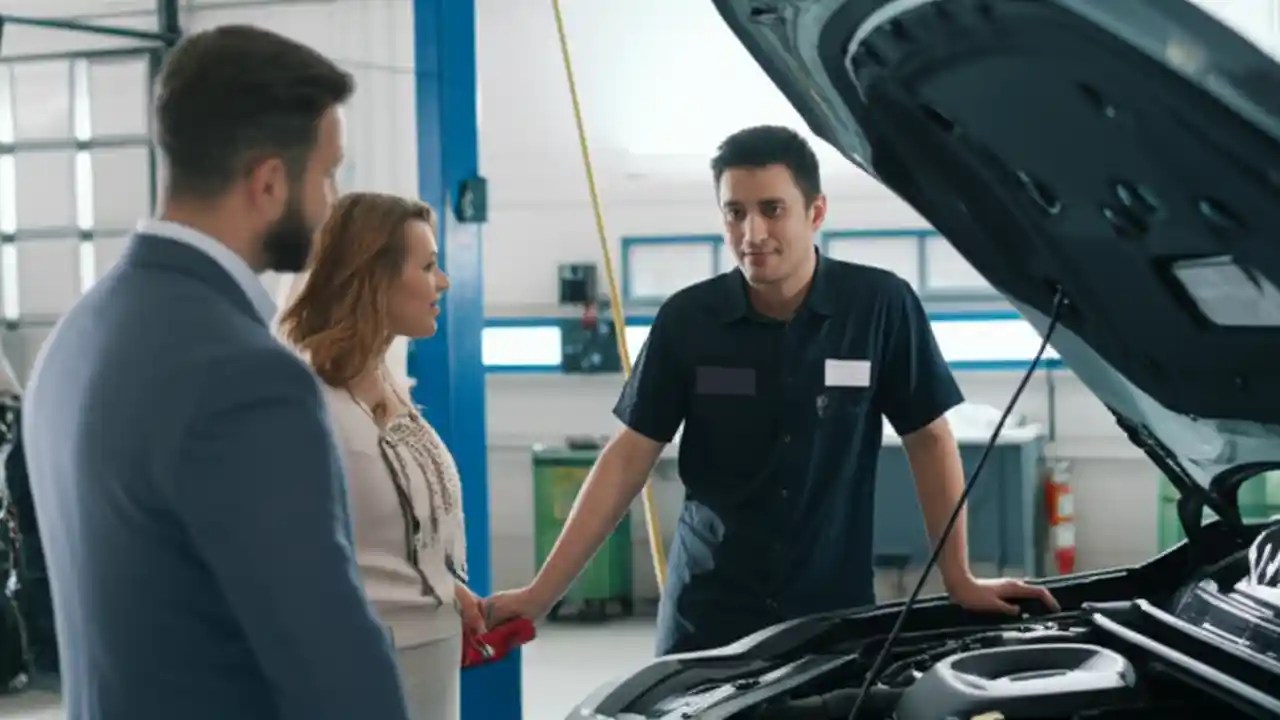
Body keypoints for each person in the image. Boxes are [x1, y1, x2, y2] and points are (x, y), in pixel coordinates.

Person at [486, 125, 1061, 655]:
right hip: (707, 613)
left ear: (815, 212)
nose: (751, 233)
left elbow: (930, 440)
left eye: (772, 209)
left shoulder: (880, 307)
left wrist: (958, 578)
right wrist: (542, 593)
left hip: (830, 611)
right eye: (734, 212)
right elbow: (628, 457)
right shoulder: (689, 320)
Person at [22, 26, 411, 720]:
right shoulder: (245, 378)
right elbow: (332, 665)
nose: (330, 203)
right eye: (327, 174)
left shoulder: (76, 337)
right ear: (268, 181)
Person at [277, 192, 484, 720]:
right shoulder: (305, 400)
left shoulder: (385, 378)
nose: (443, 282)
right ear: (375, 277)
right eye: (429, 266)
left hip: (427, 653)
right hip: (358, 665)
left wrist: (440, 585)